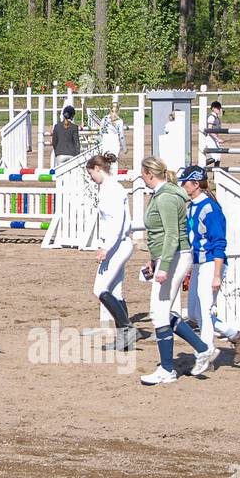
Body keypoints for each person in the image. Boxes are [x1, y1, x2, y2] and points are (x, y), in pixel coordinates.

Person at [138, 156, 212, 385]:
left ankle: (168, 369)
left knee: (158, 313)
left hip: (175, 257)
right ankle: (201, 348)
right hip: (168, 257)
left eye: (143, 174)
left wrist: (164, 266)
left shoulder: (166, 198)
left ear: (150, 174)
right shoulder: (163, 195)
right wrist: (154, 261)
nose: (142, 178)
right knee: (160, 312)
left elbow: (171, 235)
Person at [179, 165, 240, 368]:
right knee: (195, 313)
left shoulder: (209, 208)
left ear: (195, 184)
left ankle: (204, 356)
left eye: (184, 182)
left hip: (212, 263)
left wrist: (217, 274)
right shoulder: (192, 205)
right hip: (199, 263)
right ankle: (236, 336)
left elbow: (219, 242)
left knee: (204, 310)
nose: (182, 186)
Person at [85, 153, 137, 351]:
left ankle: (127, 328)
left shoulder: (112, 190)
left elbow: (115, 222)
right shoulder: (109, 188)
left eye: (91, 174)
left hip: (117, 245)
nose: (91, 178)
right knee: (115, 291)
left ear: (98, 169)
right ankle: (124, 338)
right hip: (119, 243)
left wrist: (105, 247)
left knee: (99, 289)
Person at [203, 101, 224, 168]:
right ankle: (201, 166)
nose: (219, 110)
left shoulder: (216, 117)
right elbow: (210, 130)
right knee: (215, 157)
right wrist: (217, 139)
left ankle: (216, 175)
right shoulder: (211, 117)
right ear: (213, 108)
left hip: (213, 138)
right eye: (217, 108)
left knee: (218, 157)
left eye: (219, 108)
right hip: (210, 138)